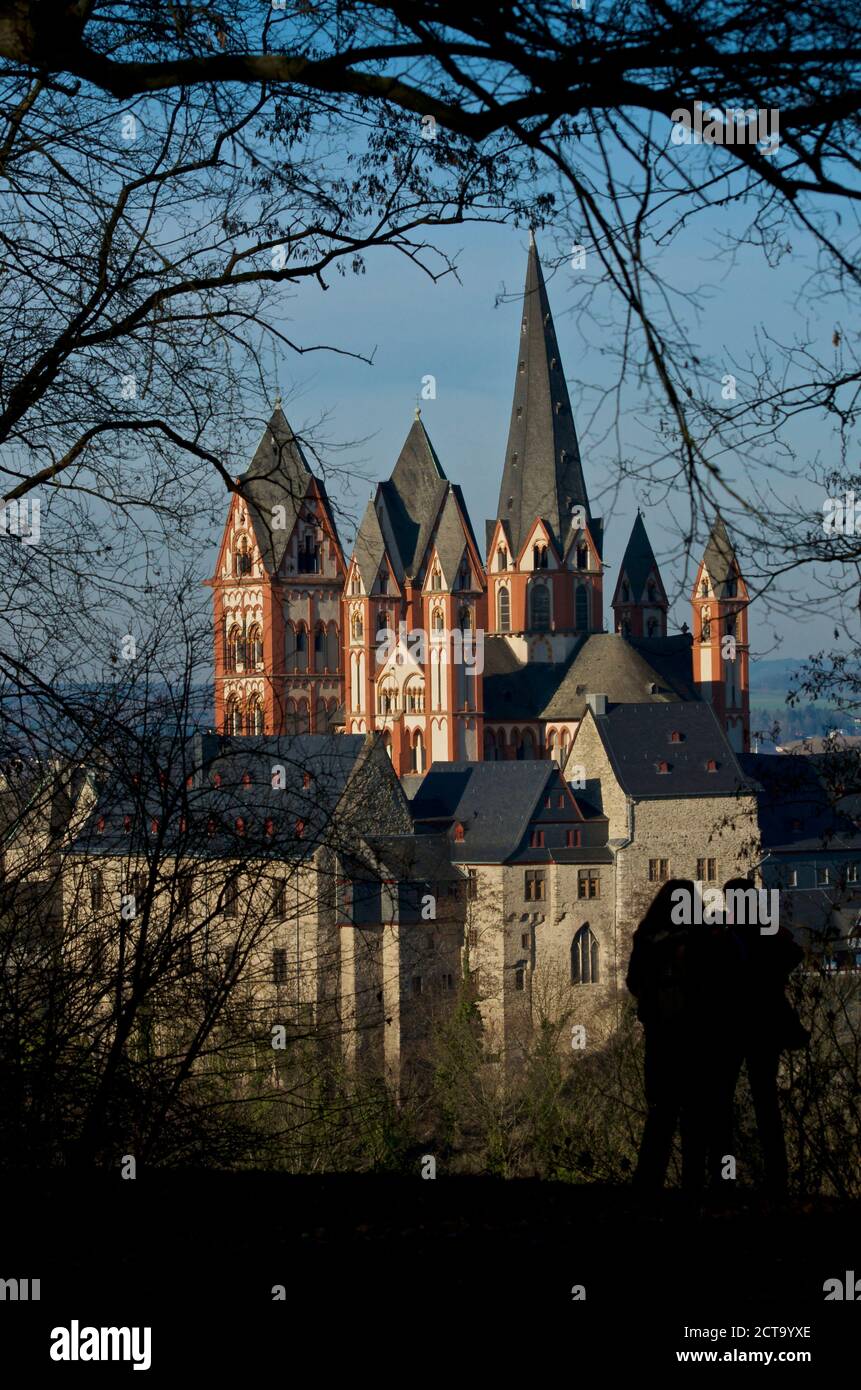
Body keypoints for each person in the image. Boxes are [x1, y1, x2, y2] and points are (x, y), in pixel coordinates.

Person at [723, 878, 806, 1194]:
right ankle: (777, 1177)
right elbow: (794, 954)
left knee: (723, 1102)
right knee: (766, 1102)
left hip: (733, 1027)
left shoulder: (729, 936)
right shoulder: (764, 931)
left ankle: (724, 1177)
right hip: (765, 1026)